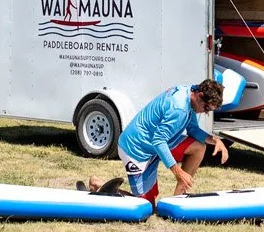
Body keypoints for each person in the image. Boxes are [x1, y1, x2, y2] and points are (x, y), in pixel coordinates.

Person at [85, 79, 229, 209]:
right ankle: (98, 185)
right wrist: (179, 173)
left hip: (154, 145)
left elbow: (192, 129)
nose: (205, 113)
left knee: (198, 147)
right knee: (145, 206)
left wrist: (215, 140)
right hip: (136, 149)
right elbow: (159, 141)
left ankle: (178, 199)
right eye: (207, 108)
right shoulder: (178, 108)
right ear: (199, 96)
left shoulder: (189, 94)